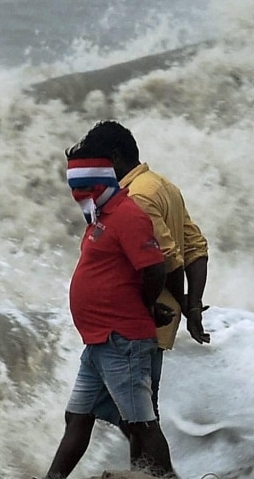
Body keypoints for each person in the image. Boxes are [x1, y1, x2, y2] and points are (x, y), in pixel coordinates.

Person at [45, 138, 178, 479]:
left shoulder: (128, 214)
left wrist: (147, 306)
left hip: (122, 340)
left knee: (142, 425)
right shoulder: (101, 215)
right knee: (78, 416)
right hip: (99, 341)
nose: (74, 192)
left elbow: (155, 267)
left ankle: (166, 478)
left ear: (97, 180)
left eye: (79, 184)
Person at [80, 120, 212, 353]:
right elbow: (195, 247)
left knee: (136, 389)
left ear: (116, 156)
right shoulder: (162, 185)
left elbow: (168, 258)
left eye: (98, 162)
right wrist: (192, 305)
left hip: (134, 327)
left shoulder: (136, 196)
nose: (94, 171)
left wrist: (182, 303)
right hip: (148, 326)